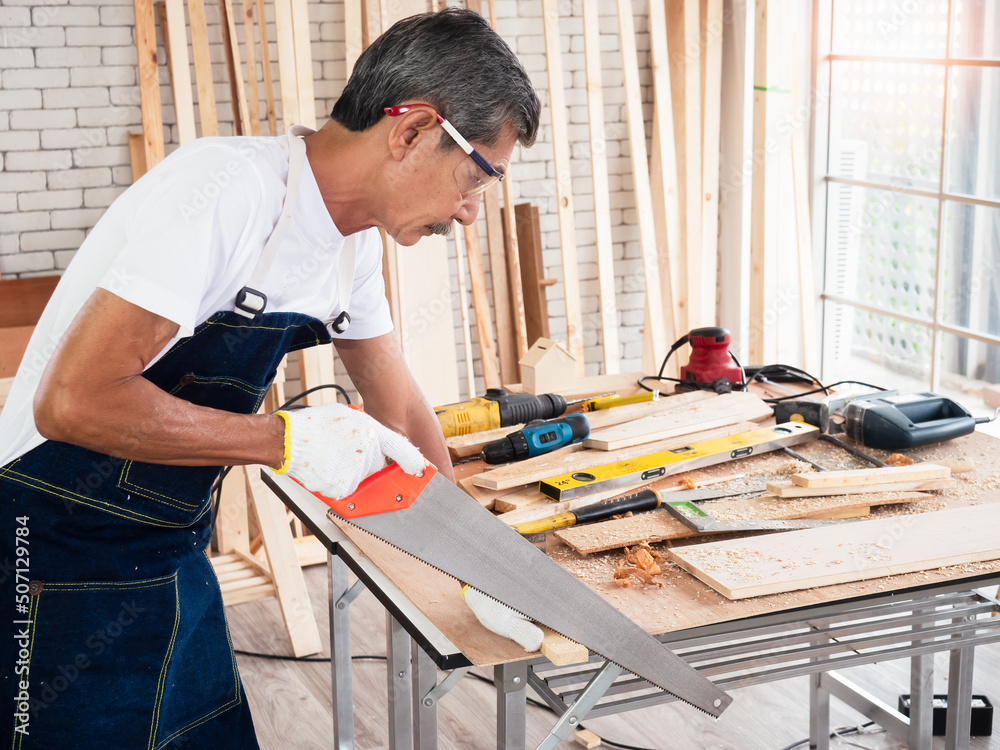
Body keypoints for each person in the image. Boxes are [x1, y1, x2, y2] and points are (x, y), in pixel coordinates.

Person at [0, 8, 540, 747]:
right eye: (477, 174)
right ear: (412, 131)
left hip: (169, 548)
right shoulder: (227, 192)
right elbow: (73, 403)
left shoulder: (350, 251)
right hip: (49, 544)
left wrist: (475, 559)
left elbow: (400, 410)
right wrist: (282, 439)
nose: (472, 212)